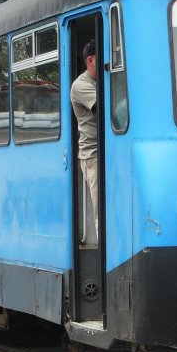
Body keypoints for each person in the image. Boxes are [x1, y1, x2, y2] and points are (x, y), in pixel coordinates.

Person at [70, 40, 99, 239]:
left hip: (109, 150)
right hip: (93, 156)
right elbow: (107, 107)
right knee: (101, 211)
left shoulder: (101, 81)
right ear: (91, 60)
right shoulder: (81, 85)